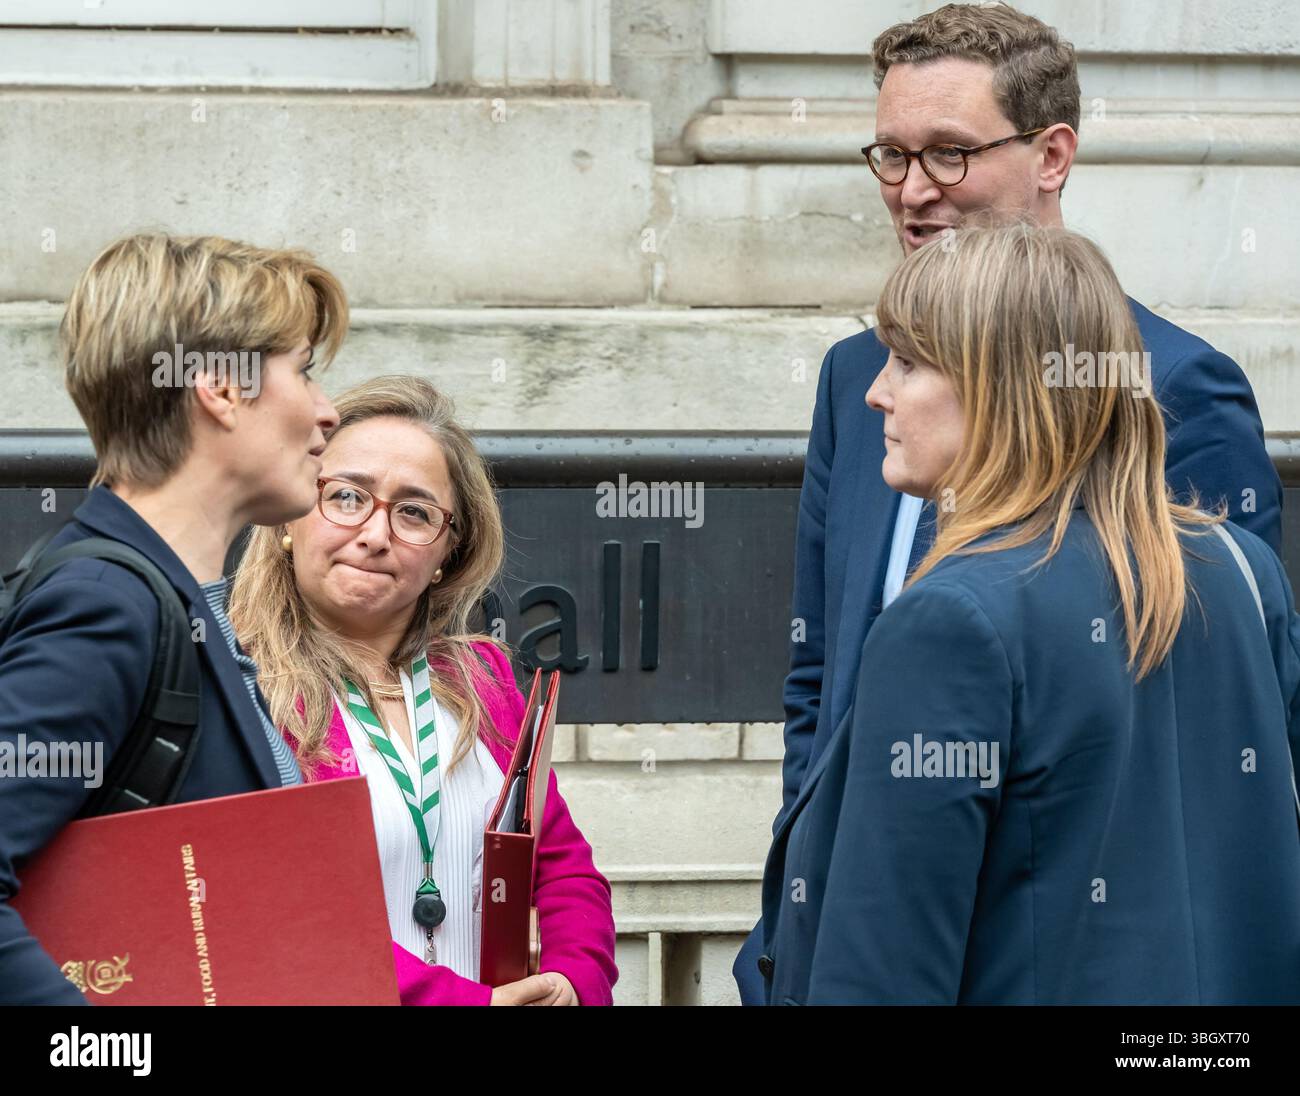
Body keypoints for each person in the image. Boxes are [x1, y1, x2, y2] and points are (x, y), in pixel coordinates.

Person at [736, 0, 1283, 1003]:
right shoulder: (854, 378)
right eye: (890, 156)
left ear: (1052, 154)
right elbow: (823, 676)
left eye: (948, 153)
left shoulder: (1174, 388)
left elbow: (1203, 745)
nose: (912, 189)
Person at [0, 234, 344, 1004]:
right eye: (305, 370)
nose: (327, 412)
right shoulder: (106, 602)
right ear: (220, 387)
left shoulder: (171, 597)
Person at [228, 376, 618, 1006]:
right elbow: (268, 914)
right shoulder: (238, 685)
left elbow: (563, 865)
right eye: (347, 496)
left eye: (414, 512)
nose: (376, 534)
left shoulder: (481, 682)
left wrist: (574, 979)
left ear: (446, 552)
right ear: (288, 517)